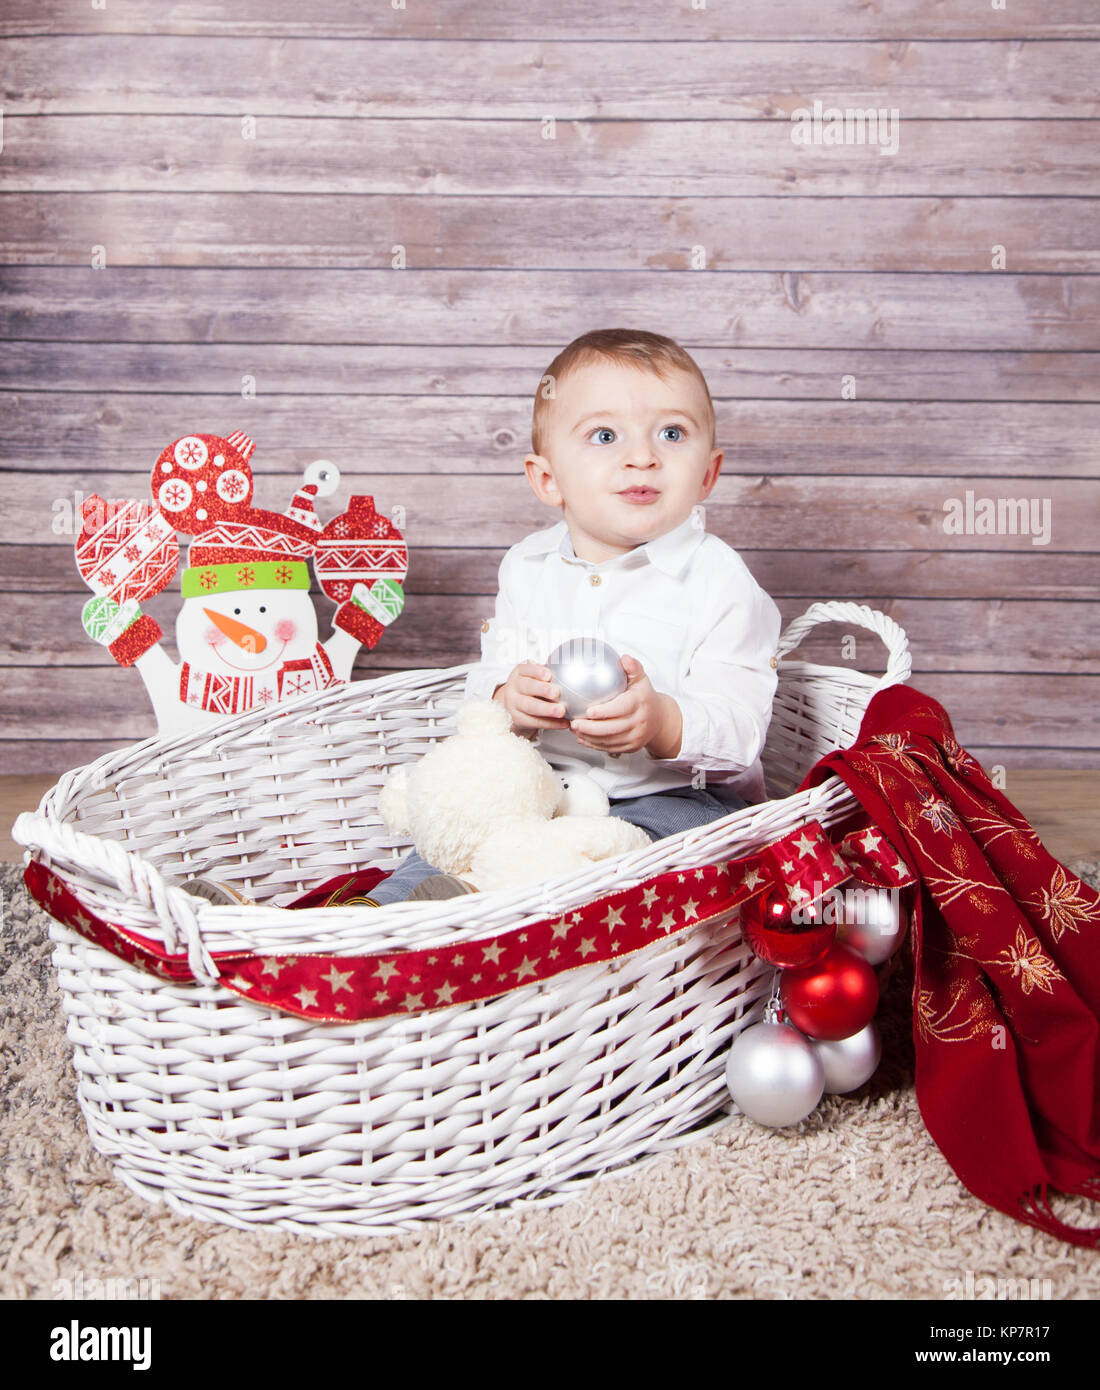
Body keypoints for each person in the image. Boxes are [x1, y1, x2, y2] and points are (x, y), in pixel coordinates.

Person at [363, 327, 783, 905]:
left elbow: (741, 732)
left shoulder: (722, 583)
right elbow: (486, 682)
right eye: (605, 435)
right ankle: (358, 926)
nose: (642, 455)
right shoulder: (527, 568)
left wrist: (661, 721)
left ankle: (489, 919)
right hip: (546, 794)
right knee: (457, 839)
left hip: (674, 804)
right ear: (548, 480)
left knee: (611, 868)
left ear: (708, 473)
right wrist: (509, 701)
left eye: (672, 432)